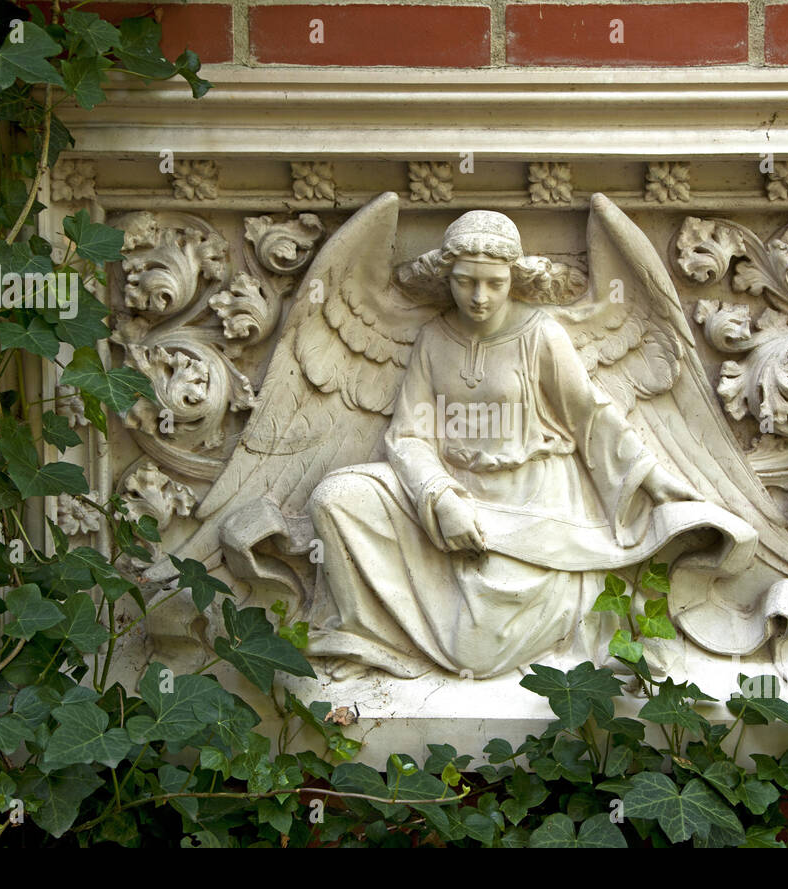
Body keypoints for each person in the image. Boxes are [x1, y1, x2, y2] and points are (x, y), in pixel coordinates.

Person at [305, 210, 756, 680]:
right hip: (452, 491)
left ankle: (576, 601)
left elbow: (590, 415)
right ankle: (364, 639)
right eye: (464, 283)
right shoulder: (433, 338)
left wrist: (652, 478)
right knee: (337, 499)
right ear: (446, 278)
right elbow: (409, 434)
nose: (479, 298)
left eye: (494, 284)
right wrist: (439, 496)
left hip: (533, 504)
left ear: (513, 278)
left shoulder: (541, 334)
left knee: (475, 653)